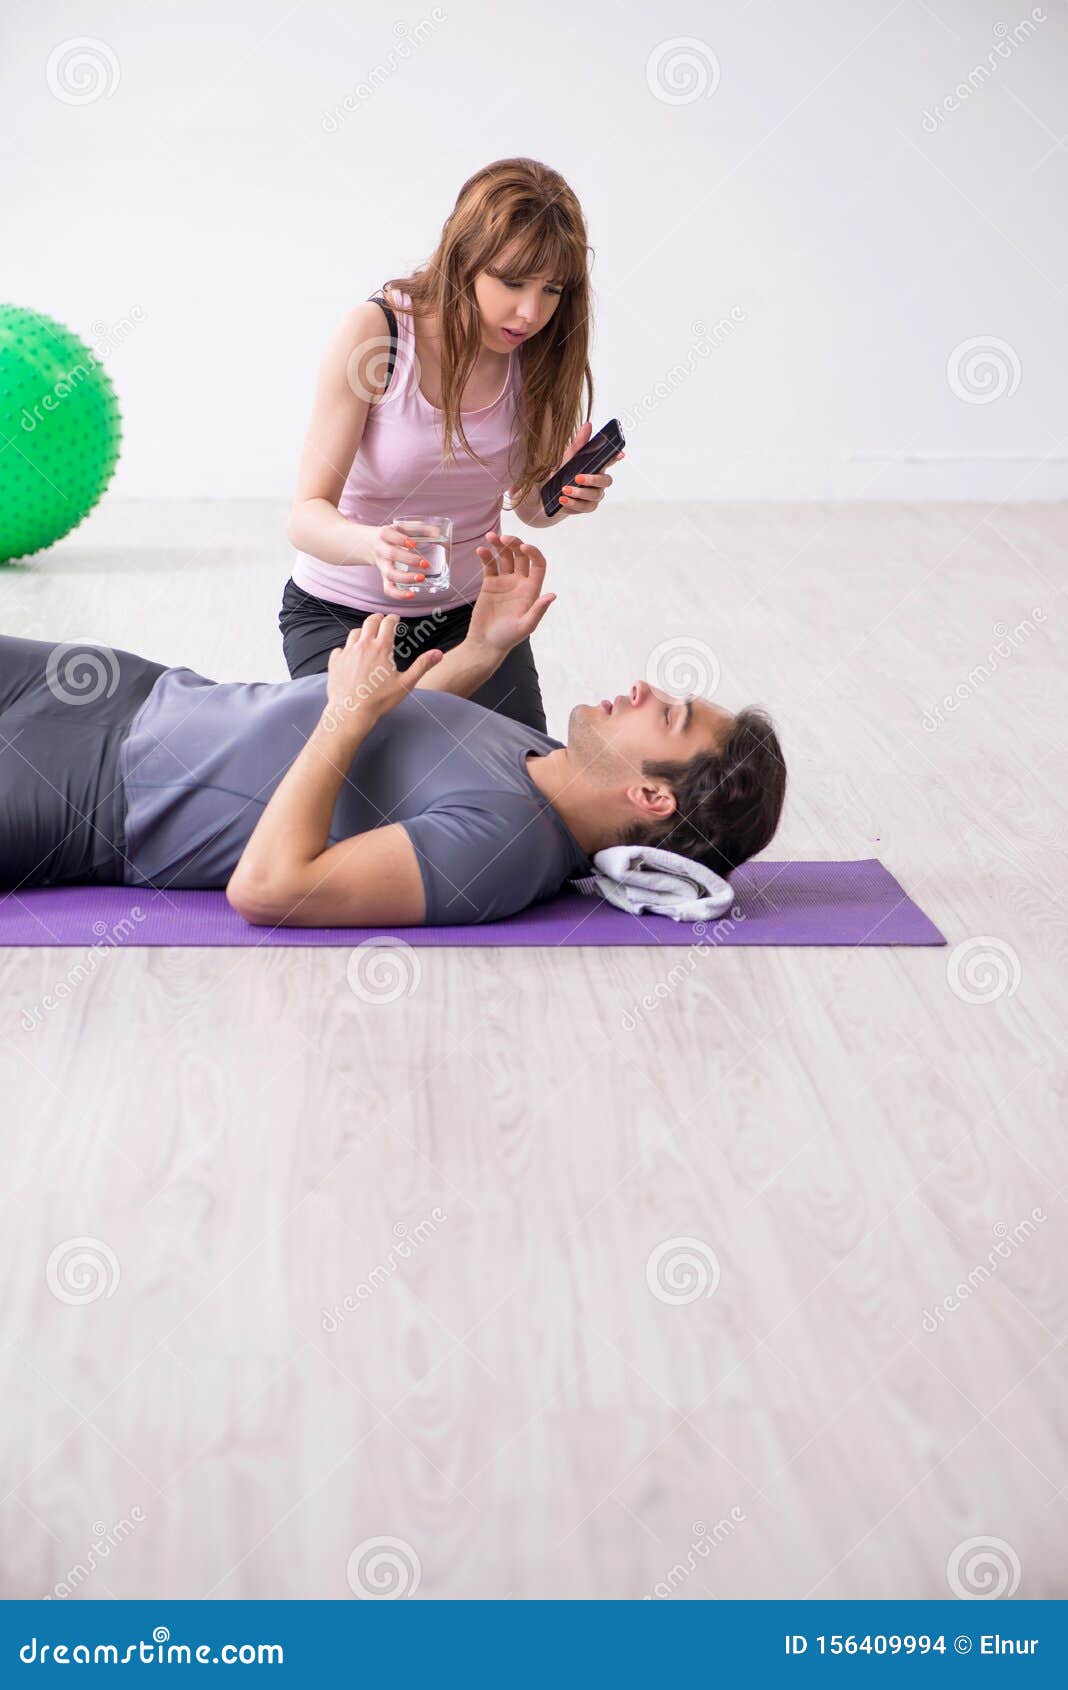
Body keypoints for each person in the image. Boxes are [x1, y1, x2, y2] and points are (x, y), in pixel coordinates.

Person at [0, 537, 787, 928]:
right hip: (132, 690)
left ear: (651, 795)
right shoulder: (549, 762)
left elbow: (268, 889)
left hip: (85, 795)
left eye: (670, 716)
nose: (646, 690)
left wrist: (343, 714)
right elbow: (408, 734)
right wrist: (481, 649)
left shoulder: (506, 847)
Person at [278, 156, 624, 735]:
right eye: (512, 282)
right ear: (463, 259)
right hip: (343, 617)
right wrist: (375, 547)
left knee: (519, 770)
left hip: (470, 618)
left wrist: (563, 493)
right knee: (362, 769)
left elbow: (528, 508)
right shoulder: (378, 335)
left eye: (551, 290)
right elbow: (305, 517)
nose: (530, 313)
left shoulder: (537, 355)